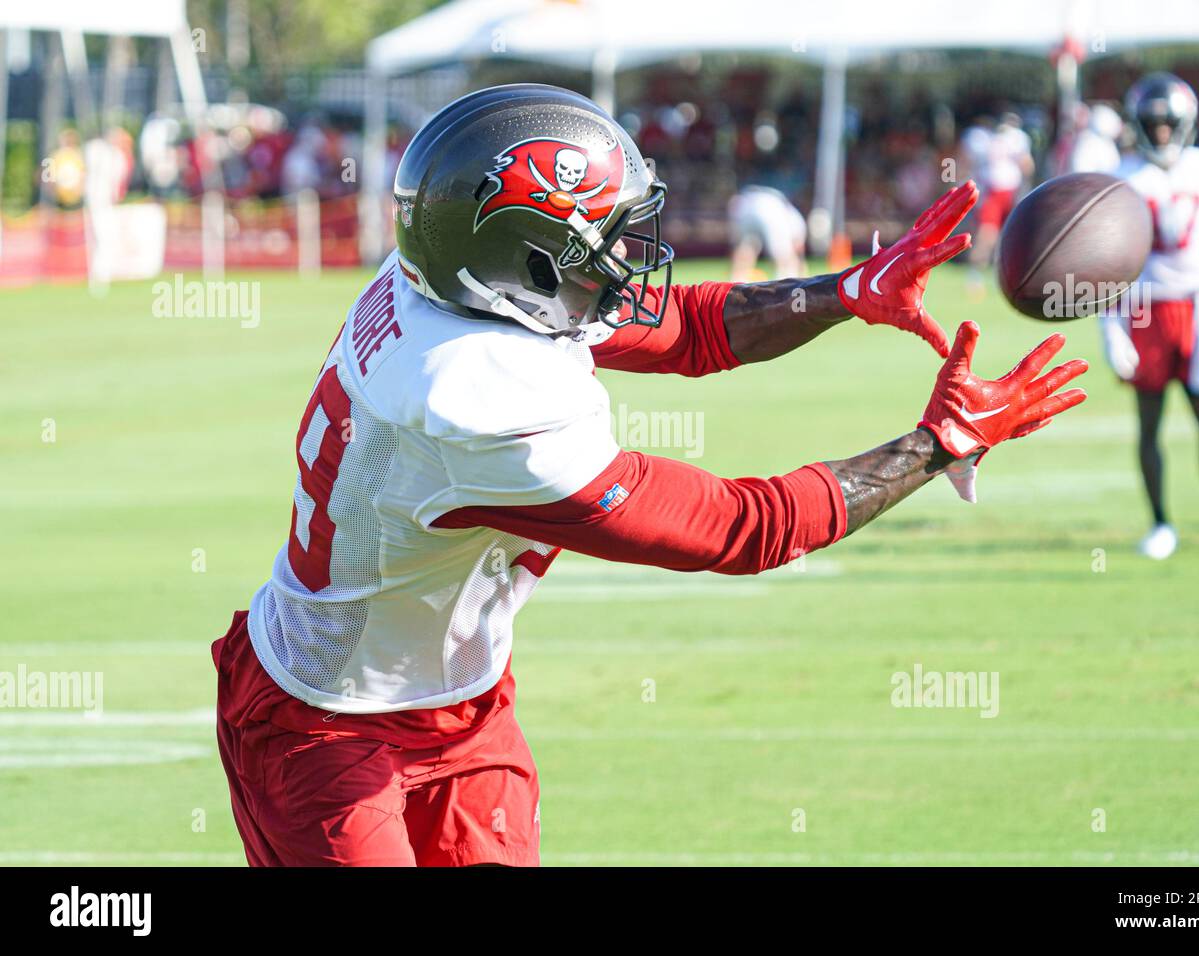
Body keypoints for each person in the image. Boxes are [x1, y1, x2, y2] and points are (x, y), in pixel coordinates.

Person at [213, 84, 1088, 867]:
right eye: (609, 240)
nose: (631, 257)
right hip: (322, 721)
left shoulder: (451, 282)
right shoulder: (477, 400)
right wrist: (941, 442)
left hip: (463, 702)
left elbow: (687, 329)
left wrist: (843, 290)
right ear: (532, 259)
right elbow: (744, 531)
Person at [1101, 73, 1199, 560]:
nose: (1162, 133)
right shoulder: (1123, 176)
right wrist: (1110, 325)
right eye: (1153, 124)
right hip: (1145, 307)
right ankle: (1161, 523)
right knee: (1149, 421)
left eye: (1169, 123)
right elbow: (1109, 259)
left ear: (1186, 123)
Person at [962, 113, 1034, 288]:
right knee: (990, 234)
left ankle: (984, 273)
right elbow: (1027, 166)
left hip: (1005, 190)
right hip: (996, 190)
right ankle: (977, 273)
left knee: (998, 235)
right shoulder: (993, 139)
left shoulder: (991, 139)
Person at [727, 184, 807, 280]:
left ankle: (735, 285)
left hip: (744, 201)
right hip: (771, 204)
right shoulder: (797, 220)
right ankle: (786, 290)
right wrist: (802, 274)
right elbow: (797, 250)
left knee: (746, 250)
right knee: (785, 261)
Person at [1068, 103, 1122, 175]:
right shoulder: (1084, 138)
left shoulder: (1099, 115)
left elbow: (1118, 127)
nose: (1076, 122)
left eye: (1079, 116)